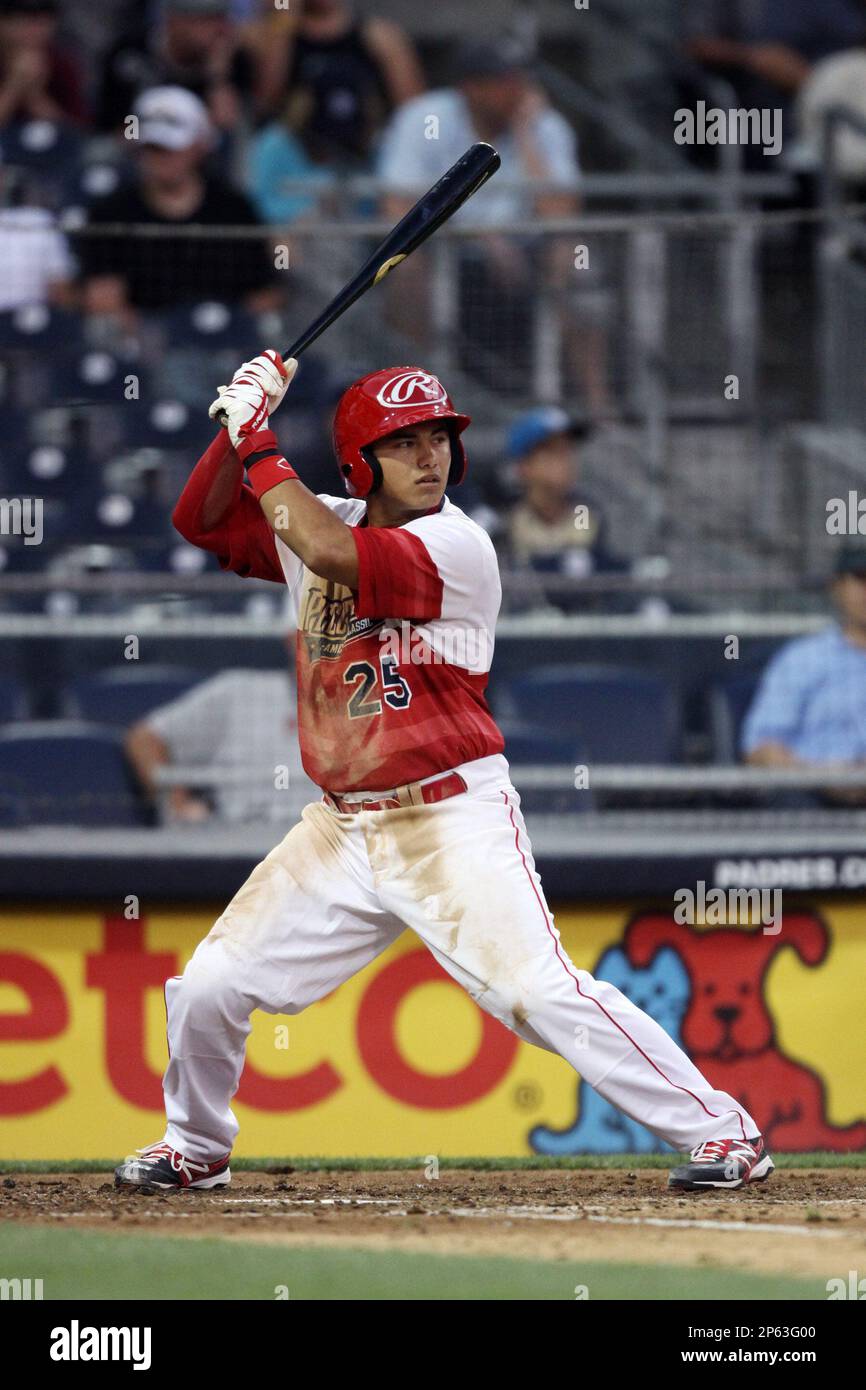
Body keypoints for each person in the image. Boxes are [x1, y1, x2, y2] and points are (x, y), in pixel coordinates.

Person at [114, 349, 774, 1195]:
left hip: (450, 815)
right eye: (405, 442)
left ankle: (723, 1130)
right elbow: (199, 520)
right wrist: (239, 419)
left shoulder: (457, 542)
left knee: (535, 995)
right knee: (207, 987)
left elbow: (325, 548)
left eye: (439, 438)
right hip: (343, 826)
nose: (430, 458)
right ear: (361, 459)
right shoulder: (313, 510)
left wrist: (255, 436)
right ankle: (195, 1144)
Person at [377, 39, 611, 418]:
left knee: (575, 262)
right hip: (442, 246)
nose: (516, 89)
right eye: (504, 80)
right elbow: (396, 209)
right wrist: (479, 237)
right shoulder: (426, 118)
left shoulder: (542, 124)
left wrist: (525, 134)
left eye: (521, 79)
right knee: (405, 266)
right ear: (470, 87)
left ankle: (597, 409)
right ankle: (415, 403)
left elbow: (561, 215)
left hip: (526, 250)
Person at [79, 86, 281, 323]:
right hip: (144, 348)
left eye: (171, 147)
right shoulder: (111, 213)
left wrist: (233, 329)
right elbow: (103, 299)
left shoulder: (234, 209)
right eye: (153, 147)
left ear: (200, 144)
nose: (161, 157)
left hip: (227, 346)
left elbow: (267, 292)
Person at [124, 636, 318, 826]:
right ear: (292, 637)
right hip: (241, 841)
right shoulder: (239, 692)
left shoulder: (349, 711)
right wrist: (178, 805)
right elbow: (144, 739)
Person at [742, 545, 866, 803]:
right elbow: (761, 748)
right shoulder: (803, 658)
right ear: (838, 588)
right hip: (812, 795)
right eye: (862, 578)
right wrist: (821, 777)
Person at [252, 0, 424, 169]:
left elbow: (415, 111)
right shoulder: (278, 35)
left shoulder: (381, 37)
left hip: (366, 158)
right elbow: (264, 102)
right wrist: (285, 19)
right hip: (299, 161)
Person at [501, 406, 623, 590]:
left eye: (568, 451)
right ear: (523, 466)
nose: (566, 460)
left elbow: (591, 564)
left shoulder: (584, 513)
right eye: (552, 452)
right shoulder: (507, 518)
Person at [96, 0, 255, 137]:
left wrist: (218, 77)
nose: (221, 30)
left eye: (223, 19)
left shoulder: (233, 61)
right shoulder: (131, 55)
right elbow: (115, 129)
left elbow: (227, 127)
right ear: (174, 21)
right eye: (207, 20)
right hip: (139, 155)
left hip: (202, 160)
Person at [0, 0, 88, 127]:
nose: (33, 31)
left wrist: (34, 96)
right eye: (23, 21)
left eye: (42, 22)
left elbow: (78, 134)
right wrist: (14, 86)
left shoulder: (62, 63)